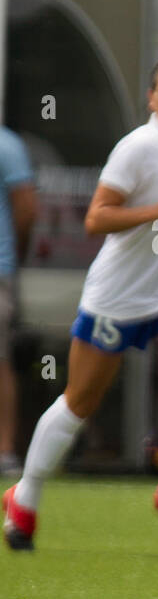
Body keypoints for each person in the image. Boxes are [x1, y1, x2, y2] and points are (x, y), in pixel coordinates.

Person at [3, 55, 158, 550]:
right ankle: (25, 497)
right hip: (118, 296)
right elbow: (96, 218)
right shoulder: (136, 150)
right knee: (79, 402)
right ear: (151, 99)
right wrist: (157, 210)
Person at [0, 127, 38, 476]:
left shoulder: (7, 145)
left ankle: (5, 451)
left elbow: (26, 209)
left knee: (1, 359)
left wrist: (14, 257)